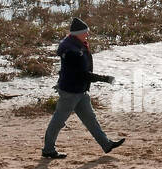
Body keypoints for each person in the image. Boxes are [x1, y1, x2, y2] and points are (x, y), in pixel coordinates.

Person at [42, 17, 125, 159]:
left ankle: (106, 144)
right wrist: (105, 79)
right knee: (58, 121)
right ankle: (48, 150)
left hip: (80, 90)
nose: (88, 34)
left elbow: (73, 71)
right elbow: (83, 74)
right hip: (70, 92)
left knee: (90, 119)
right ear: (77, 33)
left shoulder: (75, 45)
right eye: (85, 32)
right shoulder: (74, 51)